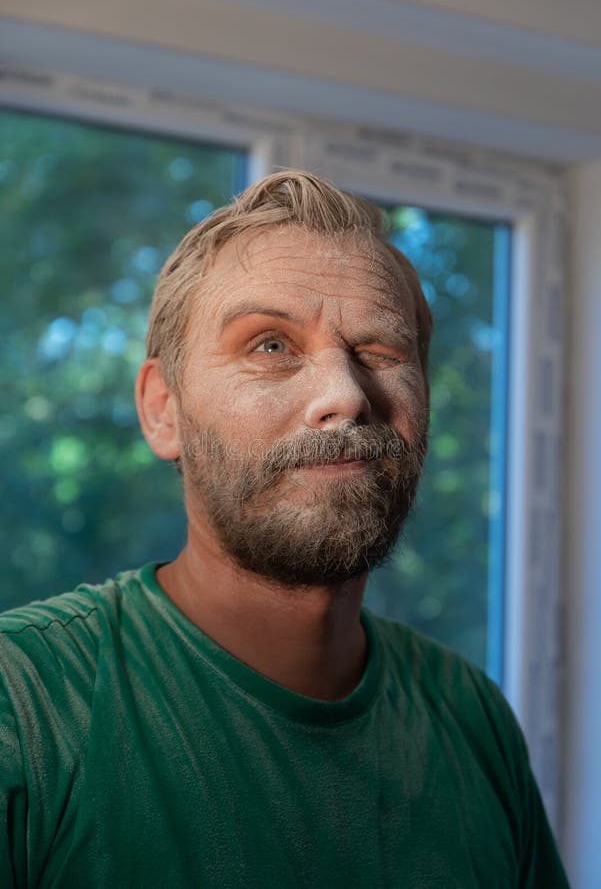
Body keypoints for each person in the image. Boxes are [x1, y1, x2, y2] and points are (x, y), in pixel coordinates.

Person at [0, 170, 568, 888]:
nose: (344, 395)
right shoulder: (24, 706)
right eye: (269, 346)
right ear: (163, 410)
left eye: (379, 353)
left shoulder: (470, 715)